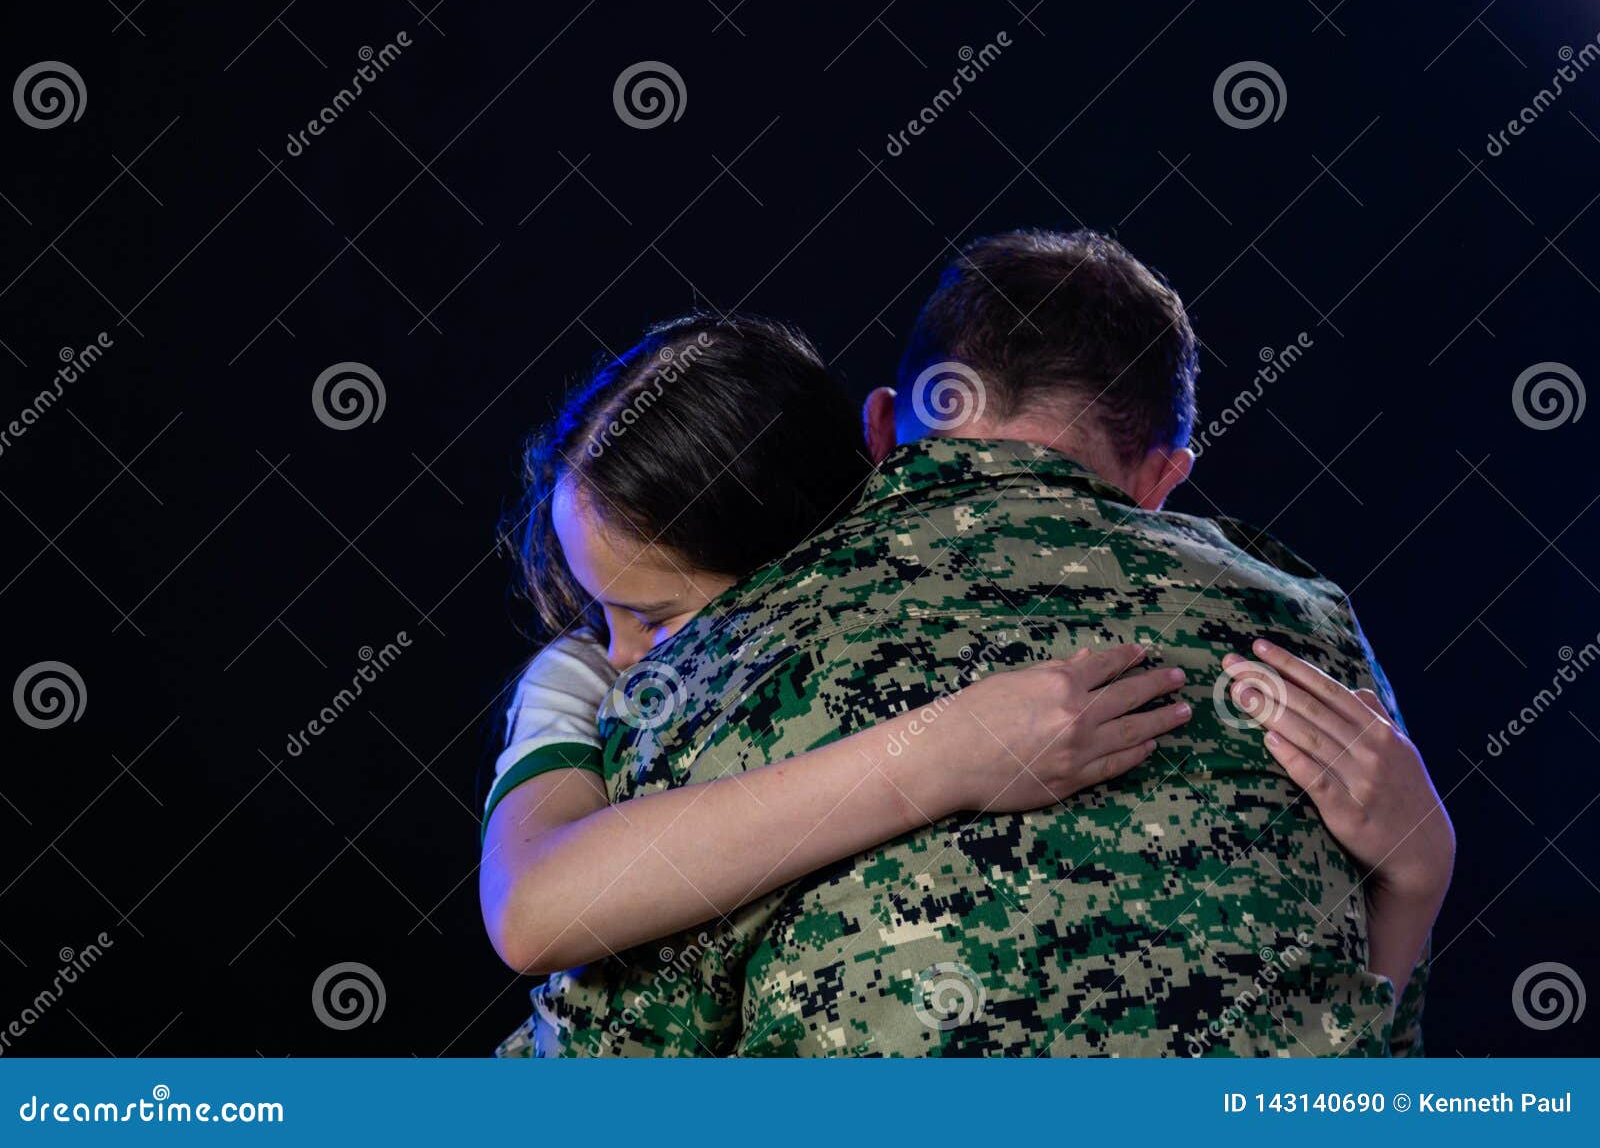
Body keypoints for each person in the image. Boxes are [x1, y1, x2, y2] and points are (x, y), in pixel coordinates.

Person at [501, 229, 1453, 1057]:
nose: (630, 651)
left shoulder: (724, 658)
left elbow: (594, 1063)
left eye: (651, 618)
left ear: (882, 428)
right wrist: (1420, 874)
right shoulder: (1304, 624)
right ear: (1164, 478)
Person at [480, 313, 1194, 1054]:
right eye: (606, 607)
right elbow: (532, 909)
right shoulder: (587, 671)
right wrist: (941, 755)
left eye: (655, 617)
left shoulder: (914, 605)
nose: (623, 654)